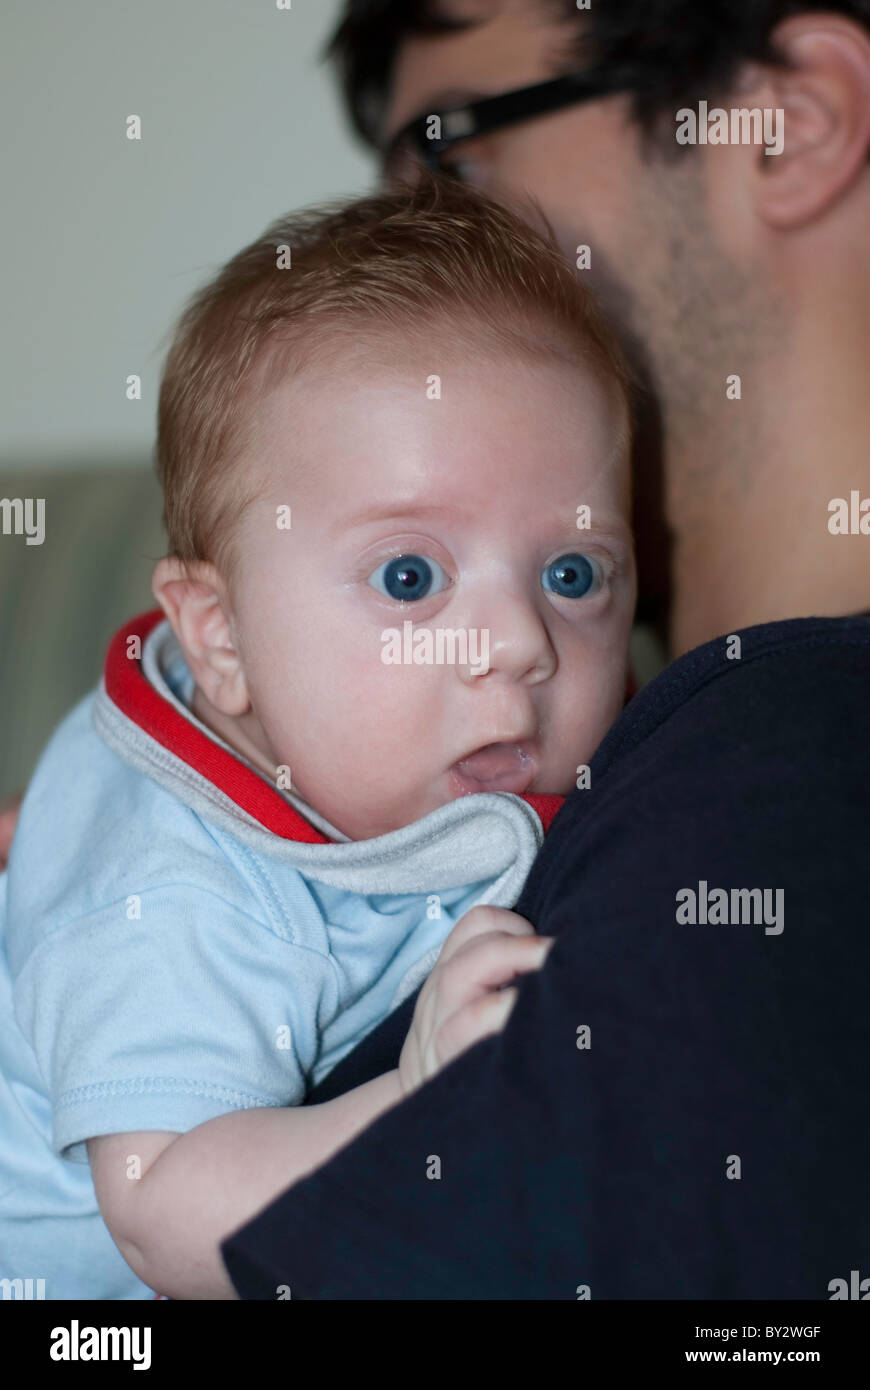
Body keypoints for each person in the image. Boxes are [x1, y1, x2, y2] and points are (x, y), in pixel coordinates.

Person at [220, 0, 870, 1299]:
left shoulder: (790, 749)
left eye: (445, 154)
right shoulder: (611, 759)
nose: (408, 242)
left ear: (786, 124)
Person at [0, 177, 638, 1299]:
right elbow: (165, 1207)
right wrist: (413, 1096)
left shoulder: (519, 761)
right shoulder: (173, 875)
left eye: (572, 572)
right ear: (224, 639)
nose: (518, 643)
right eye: (409, 576)